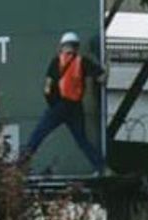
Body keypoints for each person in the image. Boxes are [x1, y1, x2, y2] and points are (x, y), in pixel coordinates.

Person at [23, 32, 107, 176]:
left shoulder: (56, 62)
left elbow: (47, 88)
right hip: (75, 107)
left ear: (62, 46)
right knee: (83, 141)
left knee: (37, 136)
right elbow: (101, 78)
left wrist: (52, 105)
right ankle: (101, 168)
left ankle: (20, 167)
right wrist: (107, 69)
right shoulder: (82, 61)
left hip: (58, 107)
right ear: (76, 47)